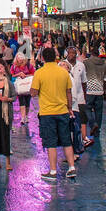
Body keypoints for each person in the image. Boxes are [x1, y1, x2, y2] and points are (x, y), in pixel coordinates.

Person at [31, 47, 76, 180]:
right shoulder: (63, 73)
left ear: (43, 58)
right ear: (56, 57)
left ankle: (53, 171)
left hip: (47, 112)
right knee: (67, 140)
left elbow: (33, 92)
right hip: (62, 111)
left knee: (51, 142)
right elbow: (69, 92)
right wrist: (69, 107)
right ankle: (72, 167)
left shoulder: (39, 73)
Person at [83, 47, 106, 141]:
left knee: (87, 108)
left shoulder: (86, 62)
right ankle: (97, 130)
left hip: (89, 90)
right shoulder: (104, 63)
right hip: (100, 90)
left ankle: (93, 124)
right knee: (99, 111)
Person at [11, 54, 35, 127]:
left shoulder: (28, 65)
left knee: (27, 102)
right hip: (20, 86)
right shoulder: (14, 66)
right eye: (19, 59)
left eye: (21, 59)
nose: (20, 60)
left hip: (27, 86)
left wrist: (25, 75)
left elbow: (33, 73)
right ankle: (23, 117)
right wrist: (19, 74)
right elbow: (11, 75)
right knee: (22, 101)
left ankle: (26, 116)